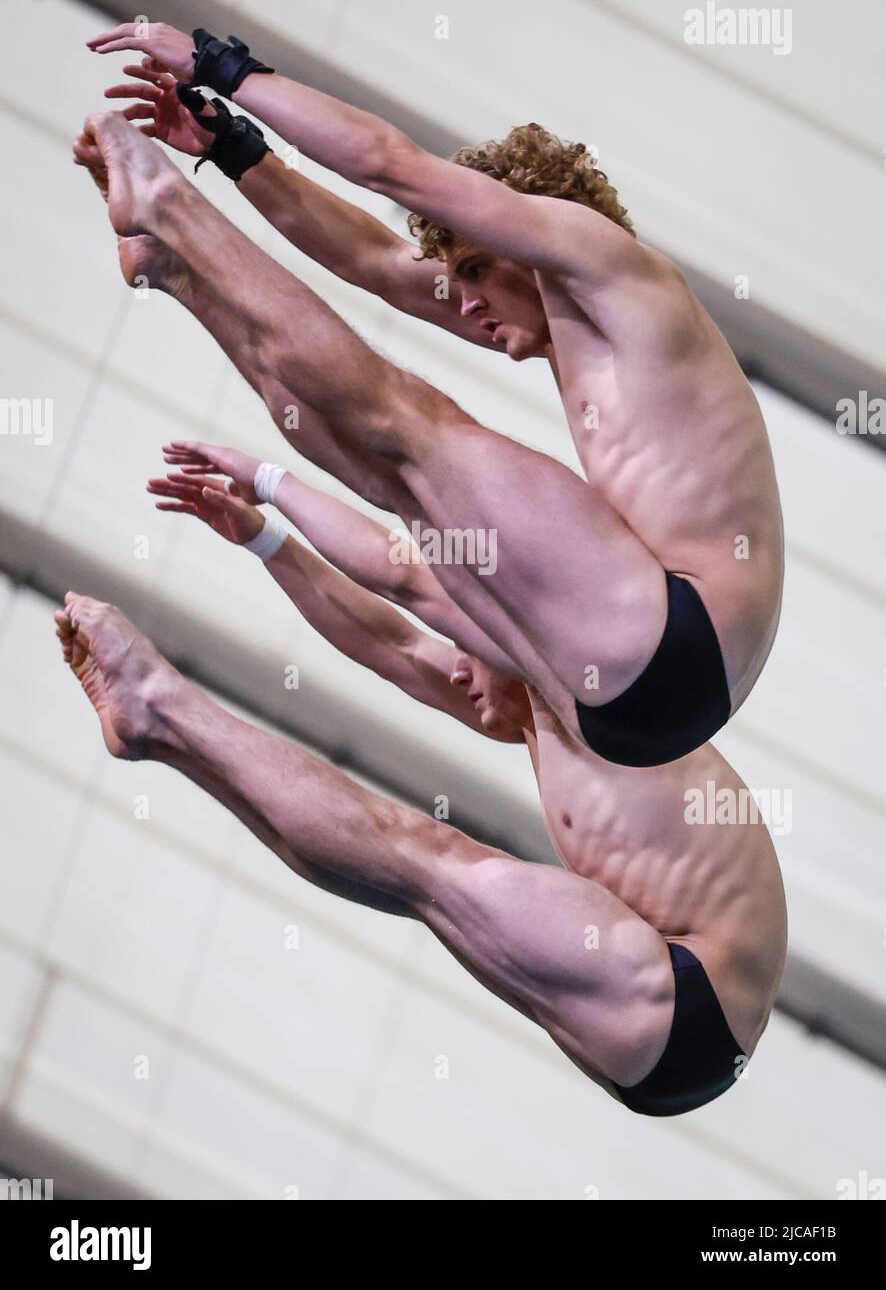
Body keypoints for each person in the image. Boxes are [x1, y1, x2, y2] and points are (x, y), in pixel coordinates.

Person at [77, 21, 784, 766]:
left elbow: (390, 165)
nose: (466, 300)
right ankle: (180, 270)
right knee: (391, 480)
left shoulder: (611, 269)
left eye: (477, 269)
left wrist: (223, 67)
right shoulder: (570, 320)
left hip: (673, 636)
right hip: (623, 701)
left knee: (409, 420)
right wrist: (233, 150)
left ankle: (167, 203)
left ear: (529, 233)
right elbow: (376, 260)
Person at [78, 442, 780, 1118]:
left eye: (469, 654)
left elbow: (402, 578)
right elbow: (391, 645)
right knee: (406, 873)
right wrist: (265, 542)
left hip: (691, 1000)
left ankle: (160, 704)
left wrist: (270, 480)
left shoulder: (558, 670)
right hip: (658, 1027)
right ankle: (161, 737)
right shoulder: (537, 705)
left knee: (422, 856)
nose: (459, 676)